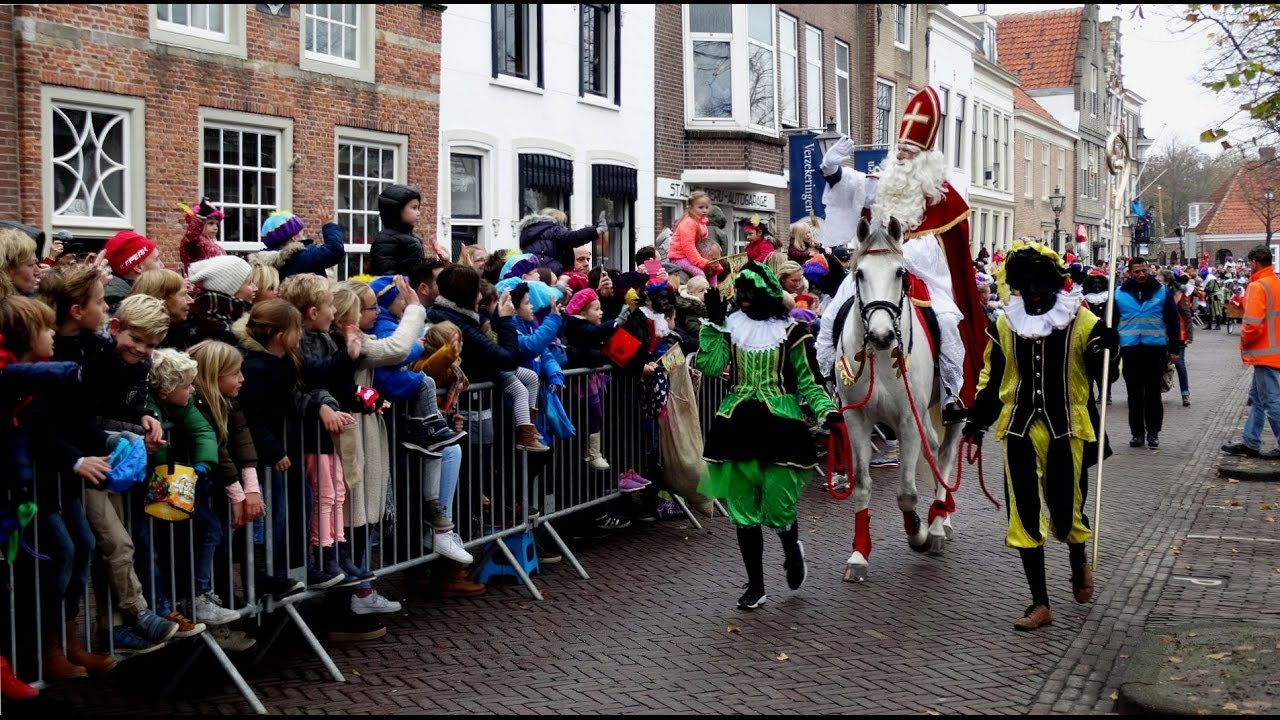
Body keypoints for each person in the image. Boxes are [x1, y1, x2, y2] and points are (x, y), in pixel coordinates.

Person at [963, 242, 1116, 631]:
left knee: (1066, 510)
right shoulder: (1003, 325)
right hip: (1018, 429)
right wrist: (976, 422)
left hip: (1068, 429)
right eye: (1023, 285)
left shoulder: (1082, 322)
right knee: (1024, 512)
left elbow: (1107, 378)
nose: (1030, 293)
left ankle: (1078, 558)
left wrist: (1109, 350)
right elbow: (992, 378)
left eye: (1037, 284)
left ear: (1053, 284)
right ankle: (1040, 603)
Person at [815, 87, 987, 424]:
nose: (902, 155)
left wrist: (901, 254)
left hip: (918, 274)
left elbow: (936, 249)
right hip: (872, 269)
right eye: (900, 149)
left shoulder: (939, 195)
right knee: (831, 315)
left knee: (947, 323)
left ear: (925, 156)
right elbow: (848, 185)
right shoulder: (881, 182)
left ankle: (950, 395)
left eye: (910, 150)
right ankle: (829, 388)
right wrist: (831, 169)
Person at [696, 261, 838, 610]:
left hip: (781, 425)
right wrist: (714, 325)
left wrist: (826, 411)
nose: (742, 299)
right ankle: (756, 585)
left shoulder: (791, 333)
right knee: (743, 511)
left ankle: (791, 548)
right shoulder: (732, 328)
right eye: (739, 293)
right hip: (737, 423)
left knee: (778, 505)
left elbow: (808, 381)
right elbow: (711, 367)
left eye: (750, 293)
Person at [1114, 256, 1181, 448]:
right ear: (1129, 273)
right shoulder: (1119, 294)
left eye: (1144, 270)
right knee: (1133, 395)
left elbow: (1173, 321)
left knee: (1153, 394)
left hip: (1154, 349)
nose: (1142, 274)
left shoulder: (1161, 292)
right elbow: (1111, 323)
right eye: (1137, 271)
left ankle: (1153, 432)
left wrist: (1175, 348)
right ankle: (1137, 433)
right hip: (1130, 350)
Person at [1222, 245, 1280, 459]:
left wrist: (1245, 342)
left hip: (1265, 353)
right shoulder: (1276, 282)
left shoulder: (1258, 286)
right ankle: (1250, 441)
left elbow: (1253, 324)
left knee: (1272, 401)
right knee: (1258, 399)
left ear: (1254, 262)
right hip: (1273, 352)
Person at [370, 184, 445, 275]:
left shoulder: (413, 237)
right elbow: (387, 278)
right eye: (414, 208)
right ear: (396, 210)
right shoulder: (384, 241)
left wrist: (443, 262)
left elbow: (422, 273)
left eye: (418, 208)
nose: (418, 213)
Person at [253, 208, 346, 281]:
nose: (304, 236)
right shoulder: (303, 255)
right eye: (302, 232)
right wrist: (328, 225)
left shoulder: (263, 264)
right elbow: (335, 250)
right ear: (295, 237)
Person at [102, 230, 166, 312]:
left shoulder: (132, 297)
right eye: (156, 259)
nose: (162, 265)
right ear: (138, 267)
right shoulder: (124, 308)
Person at [667, 191, 716, 284]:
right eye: (701, 207)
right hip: (679, 257)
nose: (705, 210)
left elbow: (704, 244)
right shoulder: (689, 222)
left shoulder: (701, 222)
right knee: (699, 273)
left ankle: (715, 292)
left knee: (713, 271)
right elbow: (688, 246)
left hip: (690, 256)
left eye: (706, 207)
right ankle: (703, 293)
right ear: (691, 208)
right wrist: (701, 262)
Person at [177, 197, 225, 273]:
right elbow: (191, 238)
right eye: (211, 223)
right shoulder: (196, 243)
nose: (215, 228)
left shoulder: (216, 246)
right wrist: (201, 216)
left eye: (217, 224)